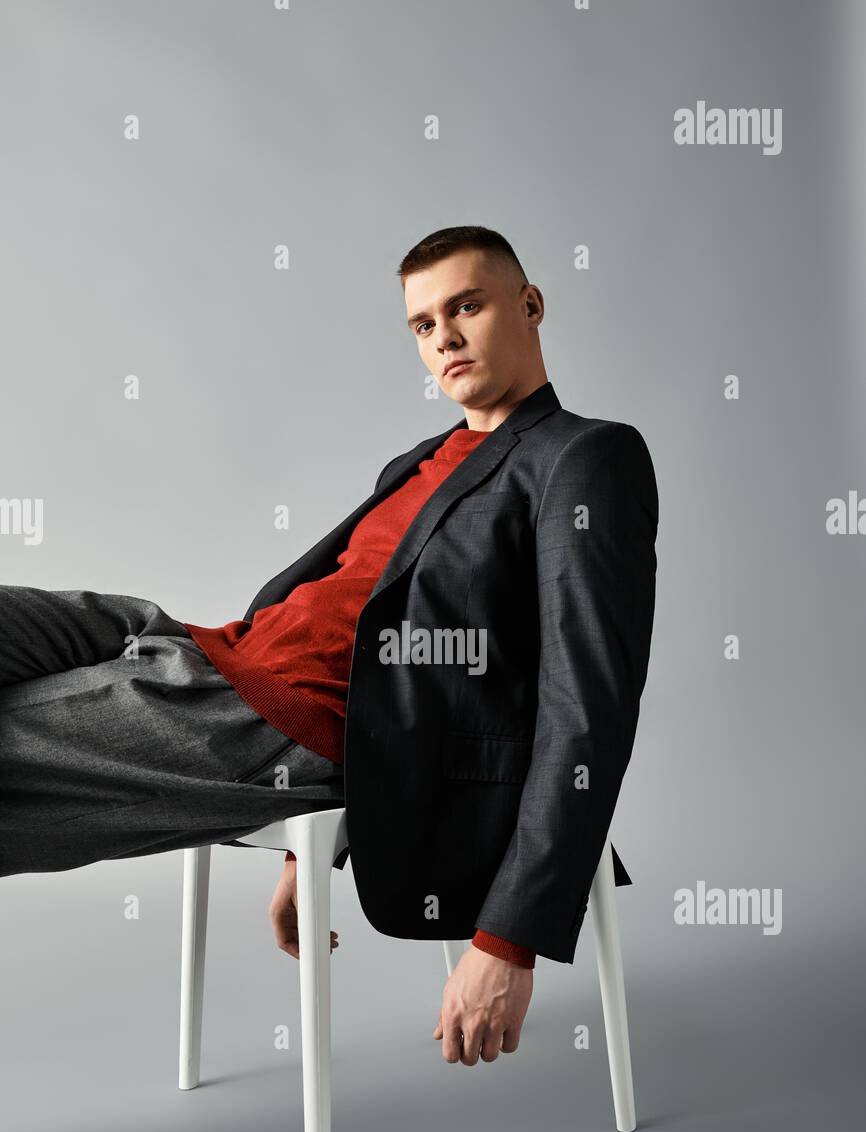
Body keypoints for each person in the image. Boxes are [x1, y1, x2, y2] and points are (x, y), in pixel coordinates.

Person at [0, 225, 658, 1068]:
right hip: (193, 646)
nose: (445, 338)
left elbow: (587, 698)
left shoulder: (583, 457)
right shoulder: (420, 461)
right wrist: (302, 828)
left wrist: (509, 941)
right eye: (423, 324)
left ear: (529, 305)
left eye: (466, 306)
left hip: (267, 717)